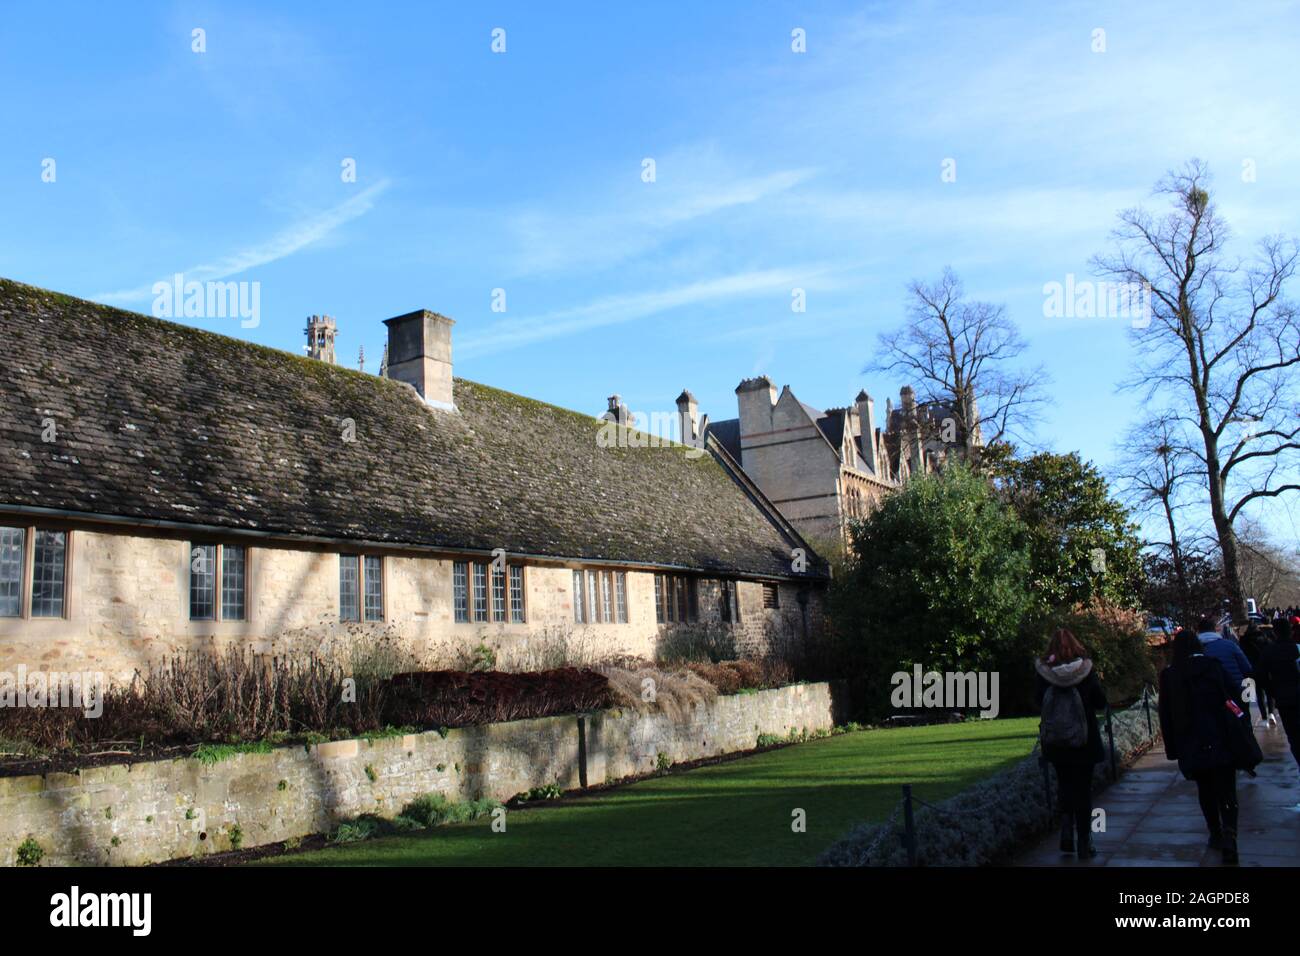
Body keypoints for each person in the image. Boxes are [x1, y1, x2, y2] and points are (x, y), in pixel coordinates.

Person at [1159, 629, 1241, 864]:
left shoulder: (1170, 675)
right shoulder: (1213, 667)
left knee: (1205, 790)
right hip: (1219, 736)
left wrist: (1172, 748)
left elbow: (1167, 715)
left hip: (1191, 741)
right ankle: (1230, 834)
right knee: (1227, 790)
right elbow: (1233, 697)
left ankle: (1215, 832)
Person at [1035, 627, 1108, 859]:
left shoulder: (1044, 672)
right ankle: (1085, 841)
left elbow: (1037, 701)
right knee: (1083, 790)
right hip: (1083, 739)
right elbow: (1099, 701)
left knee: (1064, 785)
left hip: (1056, 741)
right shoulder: (1085, 670)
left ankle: (1066, 831)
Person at [1259, 616, 1300, 777]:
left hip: (1284, 698)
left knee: (1293, 735)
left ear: (1275, 633)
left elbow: (1260, 675)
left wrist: (1273, 691)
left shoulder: (1269, 652)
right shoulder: (1297, 648)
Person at [1197, 615, 1252, 705]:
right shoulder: (1230, 645)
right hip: (1236, 692)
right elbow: (1247, 669)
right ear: (1215, 629)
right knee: (1241, 717)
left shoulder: (1196, 650)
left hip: (1211, 697)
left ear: (1198, 631)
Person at [1240, 622, 1275, 728]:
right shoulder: (1265, 639)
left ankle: (1264, 718)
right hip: (1266, 669)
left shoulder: (1244, 641)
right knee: (1269, 693)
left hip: (1252, 670)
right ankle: (1271, 714)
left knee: (1259, 695)